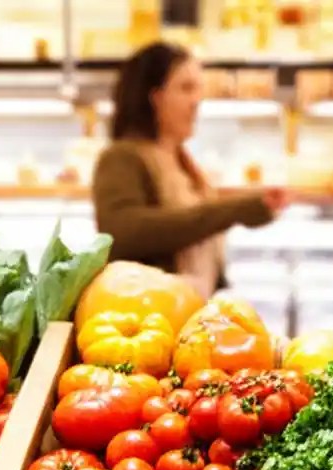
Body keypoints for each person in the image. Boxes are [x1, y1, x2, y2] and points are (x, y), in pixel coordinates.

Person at [95, 42, 288, 299]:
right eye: (186, 88)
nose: (197, 101)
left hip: (185, 312)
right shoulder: (122, 157)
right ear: (154, 97)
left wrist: (252, 208)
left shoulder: (181, 161)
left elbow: (192, 225)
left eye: (199, 89)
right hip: (145, 319)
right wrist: (233, 211)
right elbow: (123, 231)